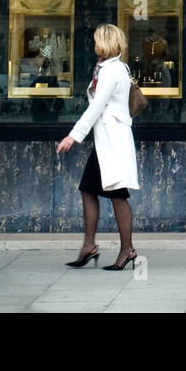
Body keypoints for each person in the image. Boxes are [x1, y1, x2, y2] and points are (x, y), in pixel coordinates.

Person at [56, 23, 139, 270]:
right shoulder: (110, 68)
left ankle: (127, 250)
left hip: (112, 143)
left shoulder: (112, 71)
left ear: (103, 43)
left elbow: (97, 106)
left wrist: (73, 136)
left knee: (117, 195)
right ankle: (89, 246)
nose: (93, 46)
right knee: (89, 189)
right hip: (106, 143)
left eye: (95, 41)